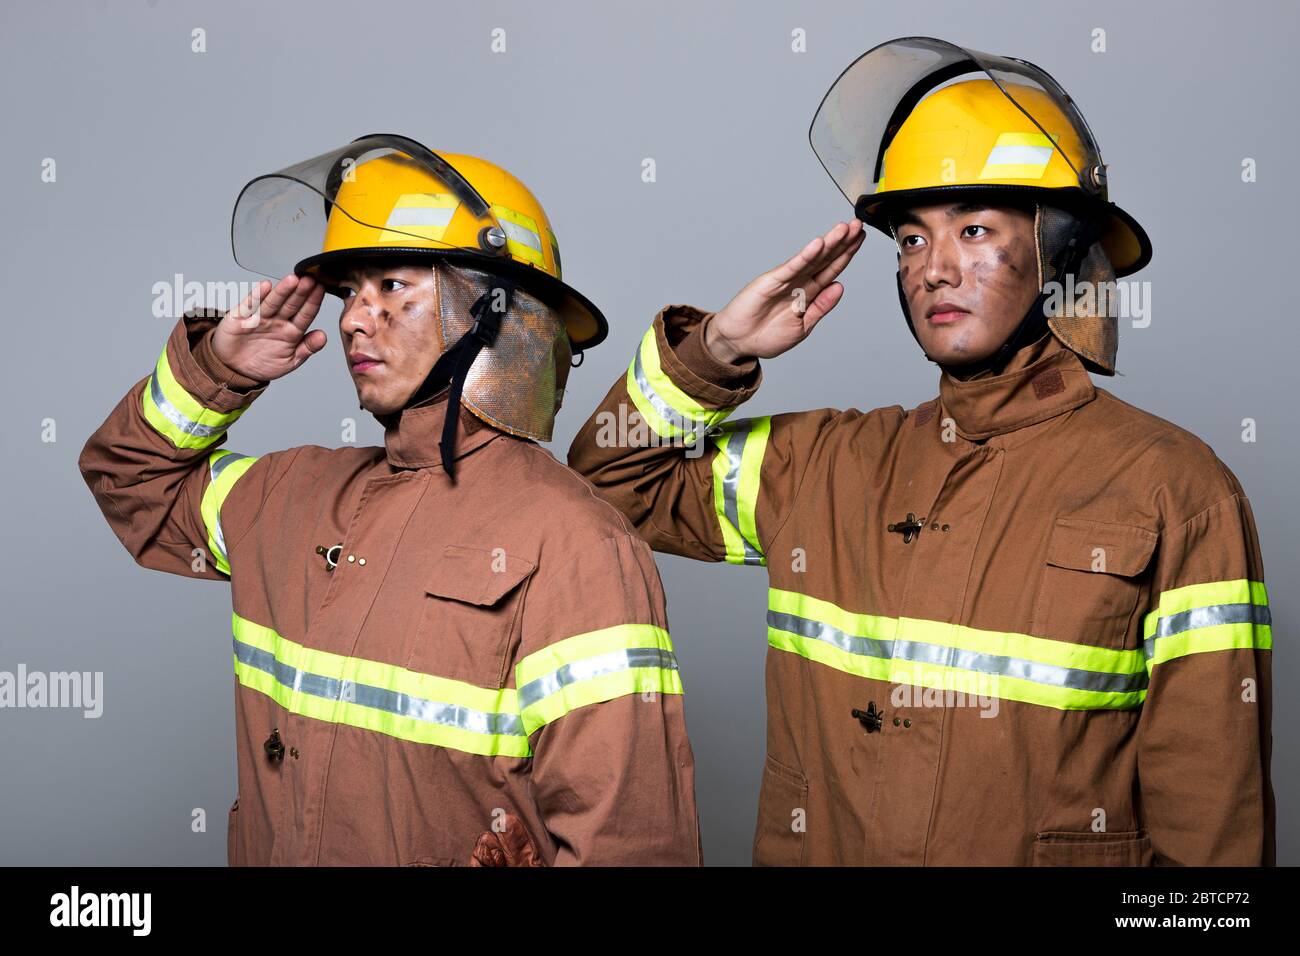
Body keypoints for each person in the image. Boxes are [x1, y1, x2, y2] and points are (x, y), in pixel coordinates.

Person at [568, 38, 1273, 866]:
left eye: (973, 229)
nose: (934, 269)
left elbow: (1214, 832)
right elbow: (612, 483)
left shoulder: (1178, 492)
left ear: (1060, 249)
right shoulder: (821, 465)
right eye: (910, 239)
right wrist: (718, 348)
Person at [79, 134, 700, 866]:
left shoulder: (575, 544)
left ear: (491, 311)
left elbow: (632, 842)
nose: (350, 319)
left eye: (392, 287)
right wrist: (218, 369)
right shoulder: (286, 494)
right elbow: (133, 478)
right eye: (350, 294)